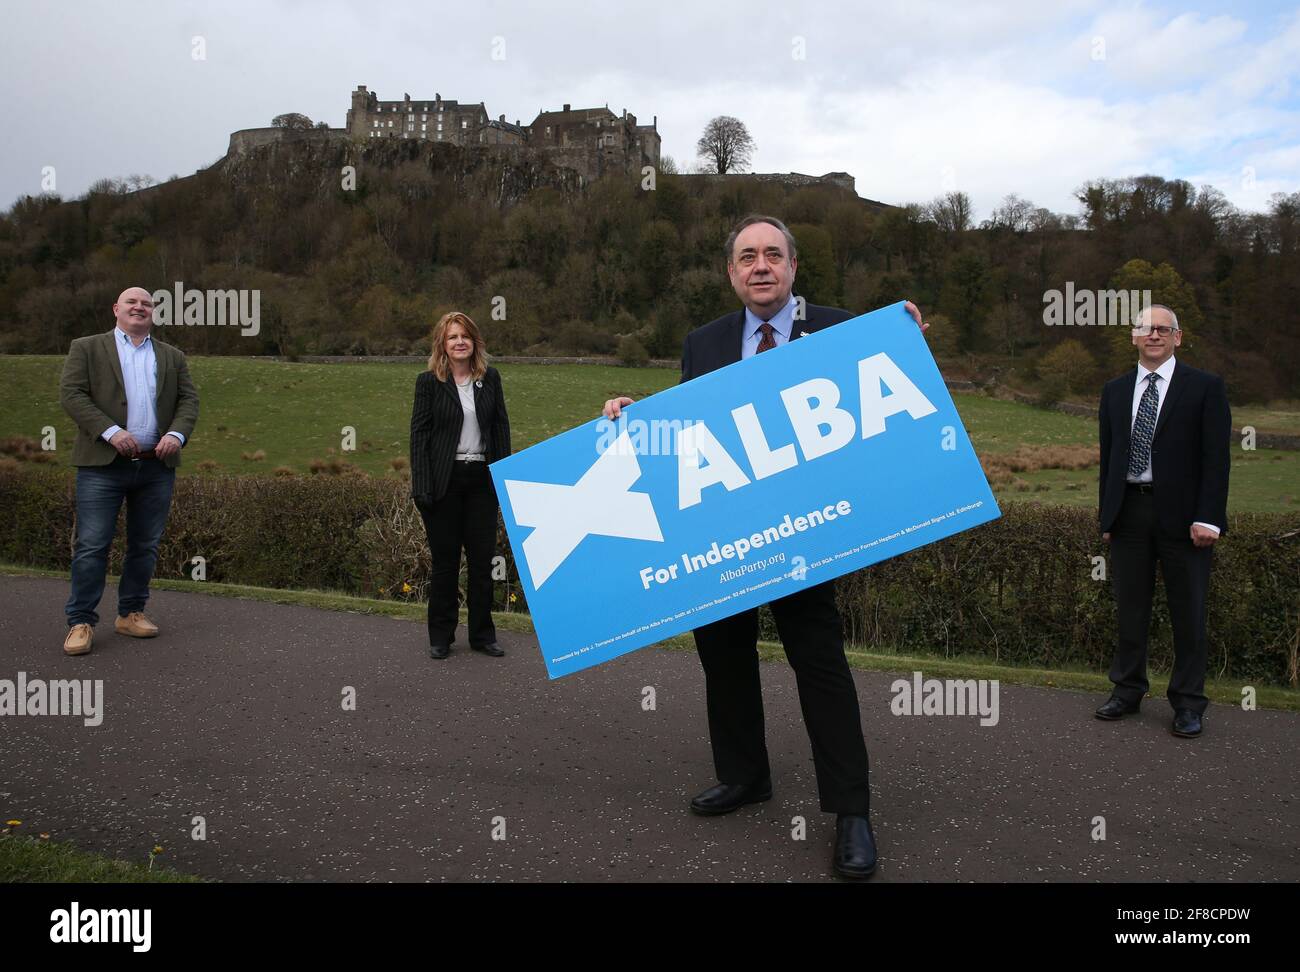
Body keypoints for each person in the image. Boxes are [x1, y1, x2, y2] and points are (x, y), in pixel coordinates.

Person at [602, 214, 928, 879]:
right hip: (722, 537)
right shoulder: (703, 343)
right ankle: (745, 776)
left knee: (821, 666)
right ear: (731, 271)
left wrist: (909, 341)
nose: (760, 266)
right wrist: (634, 420)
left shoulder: (838, 329)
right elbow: (689, 434)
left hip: (808, 536)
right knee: (724, 658)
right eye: (747, 256)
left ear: (793, 268)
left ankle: (852, 811)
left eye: (773, 255)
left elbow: (892, 394)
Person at [1095, 304, 1230, 737]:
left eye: (1161, 329)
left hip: (1185, 518)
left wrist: (1209, 517)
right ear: (1133, 337)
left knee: (1187, 612)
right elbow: (1109, 457)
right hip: (1129, 512)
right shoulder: (1114, 390)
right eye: (1144, 329)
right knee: (1130, 610)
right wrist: (1108, 514)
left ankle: (1188, 704)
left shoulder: (1205, 387)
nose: (1152, 335)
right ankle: (1127, 691)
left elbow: (1216, 459)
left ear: (1177, 336)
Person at [59, 286, 200, 656]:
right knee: (92, 546)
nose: (140, 307)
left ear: (154, 313)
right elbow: (72, 393)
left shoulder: (172, 356)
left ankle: (130, 613)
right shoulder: (86, 347)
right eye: (132, 302)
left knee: (145, 546)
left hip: (156, 466)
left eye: (147, 304)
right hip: (102, 466)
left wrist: (176, 434)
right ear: (116, 309)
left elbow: (188, 400)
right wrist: (110, 431)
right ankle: (81, 621)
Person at [410, 311, 512, 660]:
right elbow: (419, 436)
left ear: (474, 342)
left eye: (465, 336)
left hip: (481, 480)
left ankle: (483, 636)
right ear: (443, 343)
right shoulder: (428, 383)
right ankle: (441, 636)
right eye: (453, 337)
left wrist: (503, 479)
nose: (459, 342)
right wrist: (421, 487)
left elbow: (500, 429)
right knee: (445, 563)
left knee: (482, 563)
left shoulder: (491, 379)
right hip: (444, 483)